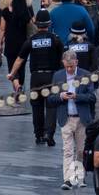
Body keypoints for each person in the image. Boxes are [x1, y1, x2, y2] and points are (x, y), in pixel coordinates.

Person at [9, 9, 63, 146]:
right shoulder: (55, 39)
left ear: (36, 24)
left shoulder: (31, 41)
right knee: (51, 106)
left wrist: (12, 74)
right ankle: (49, 134)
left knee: (37, 107)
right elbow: (64, 58)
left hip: (36, 78)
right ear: (49, 23)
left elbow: (20, 59)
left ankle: (38, 135)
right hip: (52, 77)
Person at [53, 50, 95, 190]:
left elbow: (92, 97)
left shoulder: (86, 75)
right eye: (67, 67)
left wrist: (77, 96)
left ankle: (79, 177)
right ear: (63, 64)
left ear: (76, 62)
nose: (69, 69)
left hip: (81, 119)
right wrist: (61, 96)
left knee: (81, 150)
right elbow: (50, 98)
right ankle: (68, 179)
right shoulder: (58, 76)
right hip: (66, 118)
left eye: (71, 66)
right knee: (68, 150)